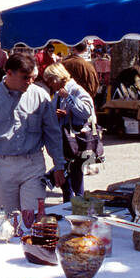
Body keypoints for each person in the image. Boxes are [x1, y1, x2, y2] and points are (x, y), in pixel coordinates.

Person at [0, 52, 65, 212]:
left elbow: (52, 134)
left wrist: (59, 164)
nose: (30, 82)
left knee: (33, 218)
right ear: (9, 73)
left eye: (32, 77)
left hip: (33, 165)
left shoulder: (40, 96)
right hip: (3, 167)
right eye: (25, 77)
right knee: (7, 222)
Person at [43, 62, 96, 199]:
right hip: (65, 142)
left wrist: (69, 102)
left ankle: (76, 207)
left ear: (58, 77)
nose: (49, 84)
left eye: (50, 80)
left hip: (75, 142)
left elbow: (86, 112)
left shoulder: (75, 90)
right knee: (67, 181)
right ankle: (70, 206)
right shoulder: (58, 93)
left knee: (75, 177)